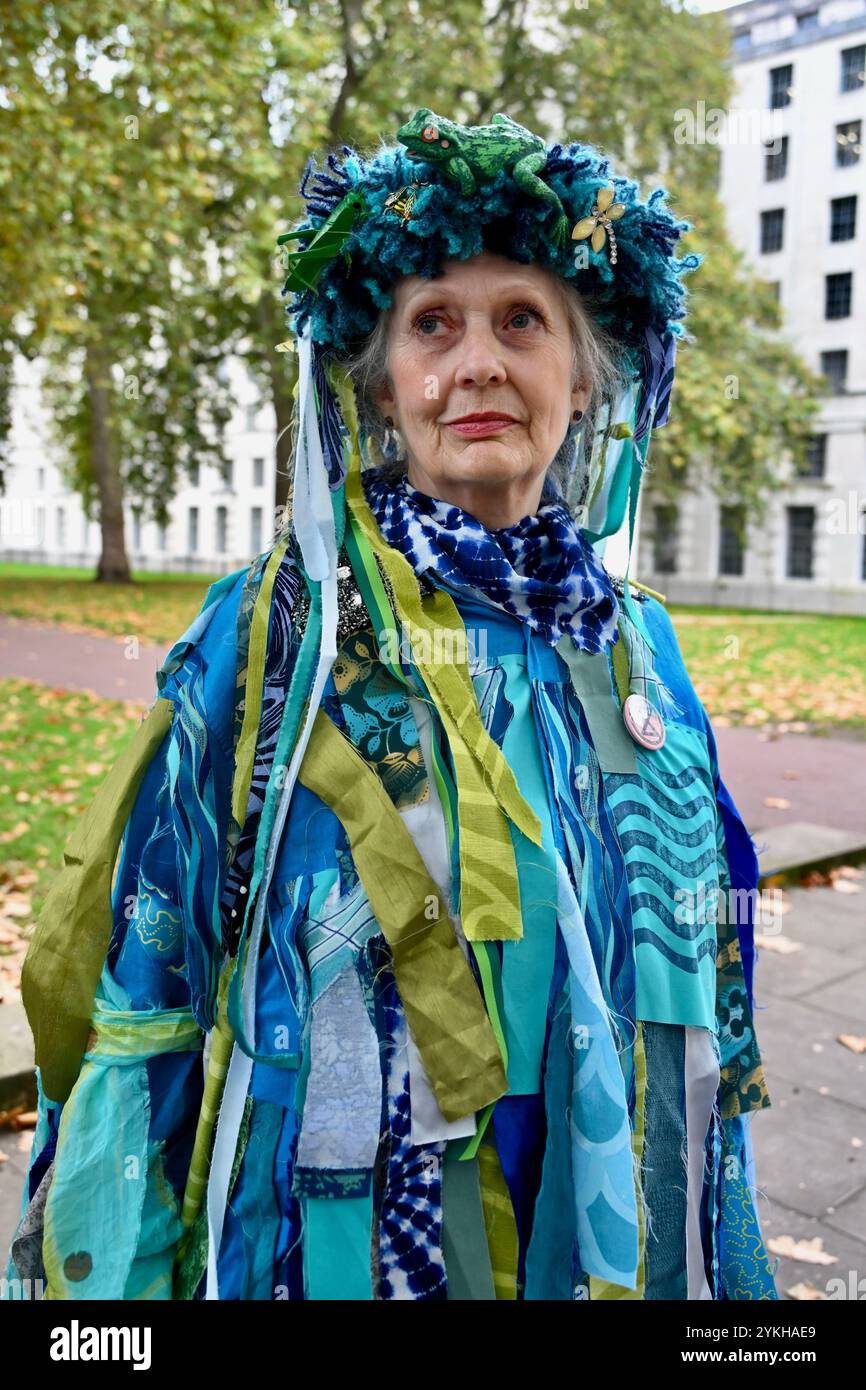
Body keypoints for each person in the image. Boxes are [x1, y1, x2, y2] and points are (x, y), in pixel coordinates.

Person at [5, 108, 777, 1301]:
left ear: (582, 378)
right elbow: (149, 967)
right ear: (385, 382)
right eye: (433, 325)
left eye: (520, 320)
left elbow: (698, 989)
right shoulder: (276, 628)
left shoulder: (643, 652)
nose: (476, 363)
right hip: (344, 1245)